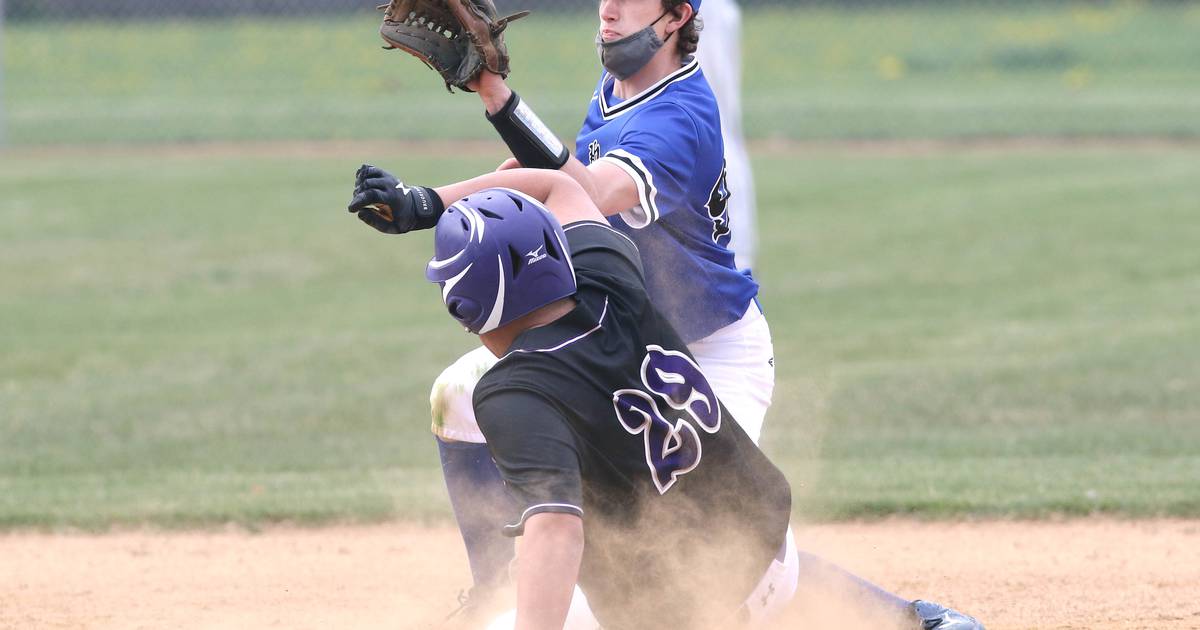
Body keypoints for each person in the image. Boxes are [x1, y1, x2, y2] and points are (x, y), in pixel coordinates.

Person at [346, 164, 987, 630]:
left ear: (465, 307)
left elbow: (554, 532)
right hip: (774, 557)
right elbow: (561, 186)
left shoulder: (514, 392)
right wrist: (433, 201)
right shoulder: (610, 280)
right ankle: (911, 623)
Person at [421, 0, 775, 615]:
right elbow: (549, 173)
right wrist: (428, 200)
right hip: (617, 338)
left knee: (721, 554)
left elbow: (589, 191)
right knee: (457, 393)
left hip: (700, 361)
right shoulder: (617, 89)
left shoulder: (680, 113)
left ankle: (903, 615)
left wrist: (496, 97)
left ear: (673, 18)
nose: (608, 8)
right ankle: (493, 593)